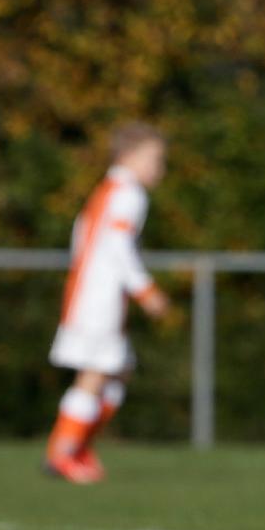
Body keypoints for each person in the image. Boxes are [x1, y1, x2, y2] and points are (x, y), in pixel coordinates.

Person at [45, 123, 173, 484]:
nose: (158, 168)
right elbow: (116, 248)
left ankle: (78, 445)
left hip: (94, 296)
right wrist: (146, 291)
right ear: (128, 156)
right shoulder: (127, 193)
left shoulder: (110, 189)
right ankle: (63, 452)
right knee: (95, 373)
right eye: (154, 159)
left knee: (118, 371)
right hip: (96, 299)